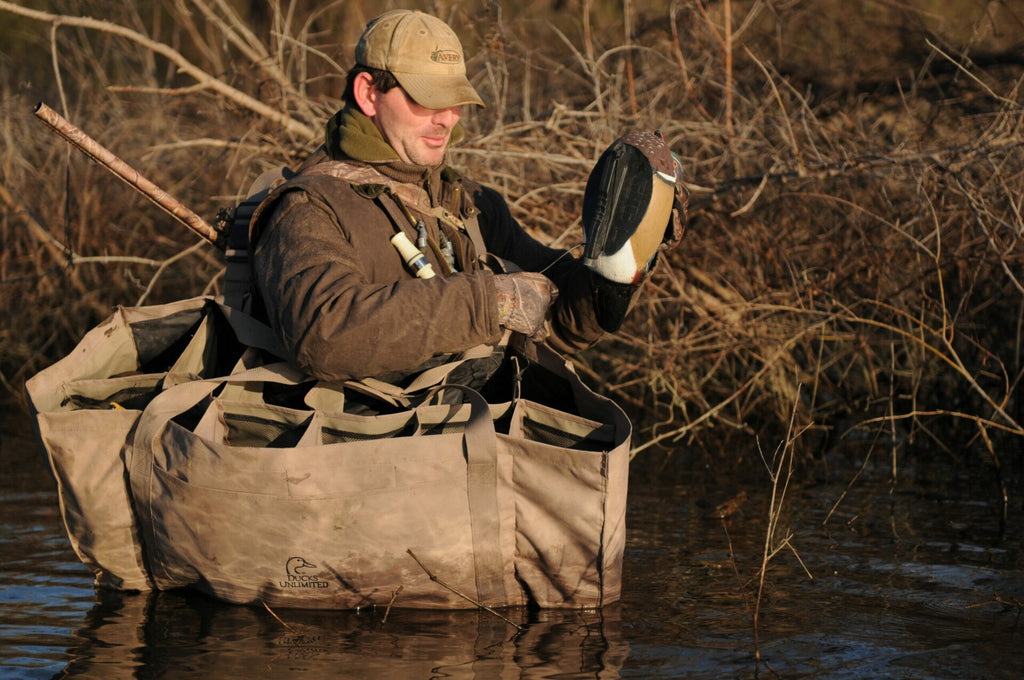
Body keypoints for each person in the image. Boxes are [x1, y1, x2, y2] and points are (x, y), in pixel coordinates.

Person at [248, 9, 683, 389]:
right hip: (364, 462)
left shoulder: (471, 203)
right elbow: (324, 337)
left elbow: (560, 323)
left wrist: (623, 258)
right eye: (427, 99)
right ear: (368, 93)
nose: (447, 118)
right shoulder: (309, 207)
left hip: (462, 450)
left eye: (455, 100)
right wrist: (491, 301)